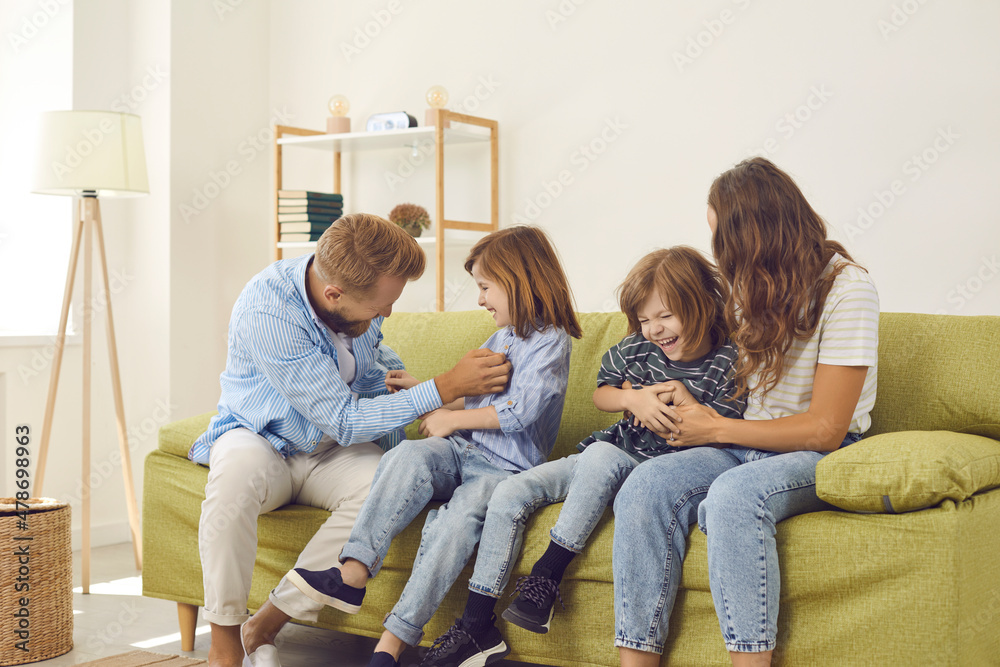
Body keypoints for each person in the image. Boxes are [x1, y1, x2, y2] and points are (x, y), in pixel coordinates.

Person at [190, 213, 512, 667]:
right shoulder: (269, 309)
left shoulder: (350, 296)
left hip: (331, 454)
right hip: (263, 439)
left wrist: (398, 379)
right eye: (380, 306)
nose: (387, 313)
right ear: (333, 294)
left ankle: (265, 624)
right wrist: (445, 386)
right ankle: (223, 644)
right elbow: (344, 419)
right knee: (232, 480)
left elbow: (367, 362)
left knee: (389, 480)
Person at [421, 246, 746, 666]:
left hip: (650, 469)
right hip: (606, 451)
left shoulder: (727, 362)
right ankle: (477, 625)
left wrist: (683, 415)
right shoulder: (637, 350)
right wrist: (635, 398)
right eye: (645, 320)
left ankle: (547, 576)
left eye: (665, 316)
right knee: (510, 493)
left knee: (602, 457)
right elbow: (602, 394)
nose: (655, 330)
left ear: (701, 304)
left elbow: (723, 428)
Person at [612, 157, 880, 667]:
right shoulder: (749, 288)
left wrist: (713, 427)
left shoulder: (848, 290)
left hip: (819, 452)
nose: (718, 253)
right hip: (742, 443)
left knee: (734, 497)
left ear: (755, 235)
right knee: (644, 485)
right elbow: (719, 368)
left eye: (722, 239)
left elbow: (825, 429)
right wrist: (693, 407)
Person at [284, 225, 583, 667]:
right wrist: (428, 391)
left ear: (519, 280)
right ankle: (352, 573)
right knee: (406, 454)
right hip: (463, 452)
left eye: (485, 287)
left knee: (454, 523)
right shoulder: (503, 337)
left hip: (504, 472)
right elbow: (479, 394)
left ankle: (391, 643)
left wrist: (450, 418)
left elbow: (520, 412)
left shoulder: (551, 342)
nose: (480, 299)